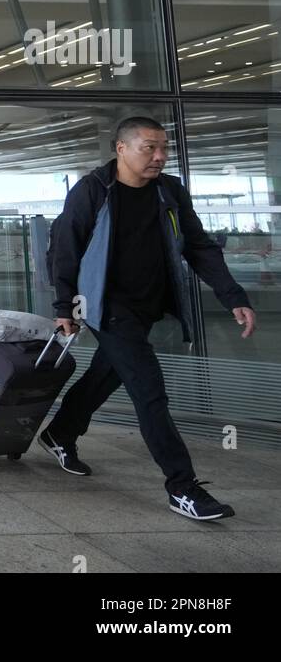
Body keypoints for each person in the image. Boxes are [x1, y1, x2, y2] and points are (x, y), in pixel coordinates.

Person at [43, 116, 256, 521]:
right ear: (121, 149)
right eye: (149, 148)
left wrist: (234, 297)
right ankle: (182, 487)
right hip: (105, 307)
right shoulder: (93, 191)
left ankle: (60, 432)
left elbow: (199, 246)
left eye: (163, 149)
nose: (159, 157)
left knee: (108, 373)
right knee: (150, 391)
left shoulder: (169, 191)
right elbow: (64, 250)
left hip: (147, 305)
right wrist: (63, 308)